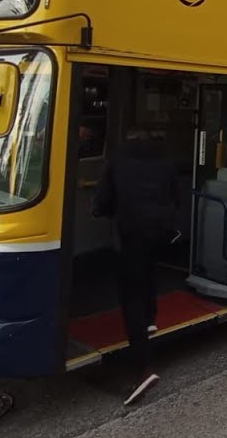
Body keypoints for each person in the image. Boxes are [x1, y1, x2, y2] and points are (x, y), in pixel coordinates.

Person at [93, 125, 179, 405]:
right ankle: (151, 318)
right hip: (161, 231)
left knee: (130, 293)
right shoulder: (165, 160)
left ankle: (143, 368)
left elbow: (103, 201)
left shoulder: (117, 160)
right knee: (151, 272)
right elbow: (175, 196)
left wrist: (101, 210)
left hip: (132, 233)